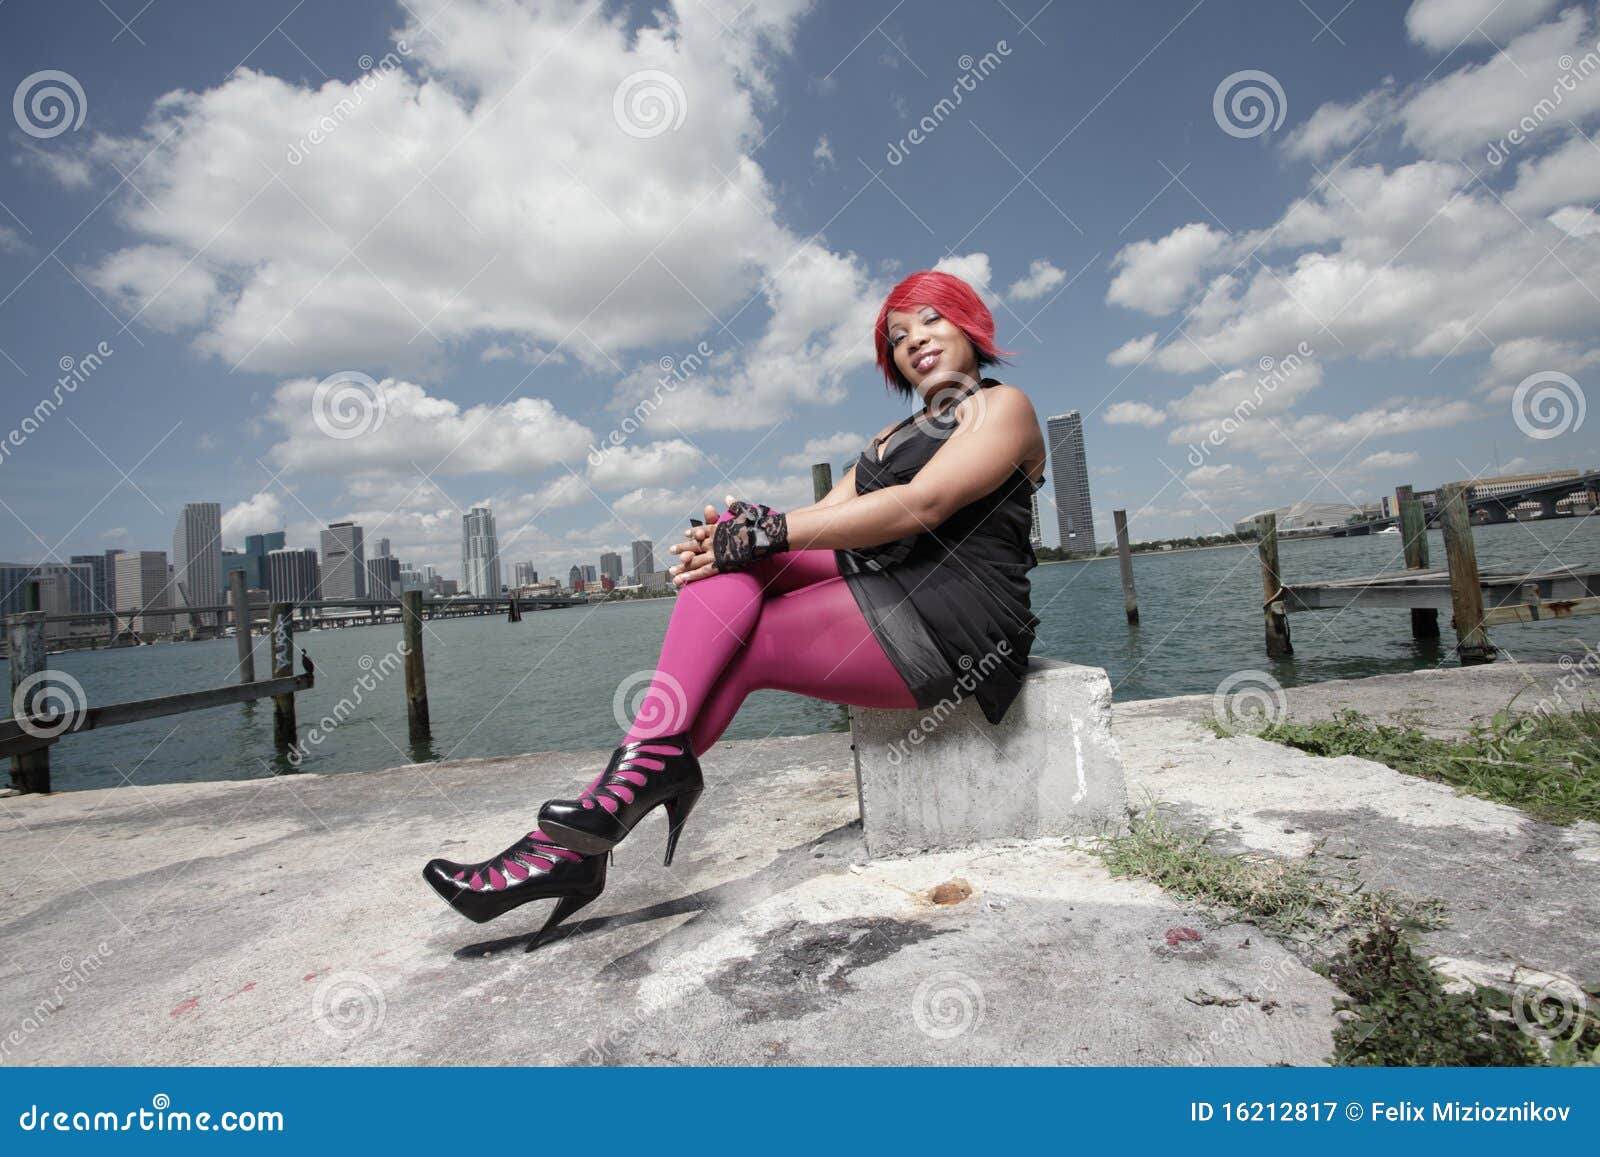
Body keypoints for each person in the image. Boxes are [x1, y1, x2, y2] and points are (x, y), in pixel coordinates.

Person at [423, 270, 1048, 938]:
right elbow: (827, 522)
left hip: (953, 623)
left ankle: (582, 833)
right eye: (897, 337)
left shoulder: (1000, 406)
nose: (914, 341)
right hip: (883, 595)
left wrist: (765, 533)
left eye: (930, 320)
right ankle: (590, 823)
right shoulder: (889, 438)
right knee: (726, 565)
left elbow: (920, 506)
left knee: (747, 629)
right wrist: (746, 529)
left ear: (968, 323)